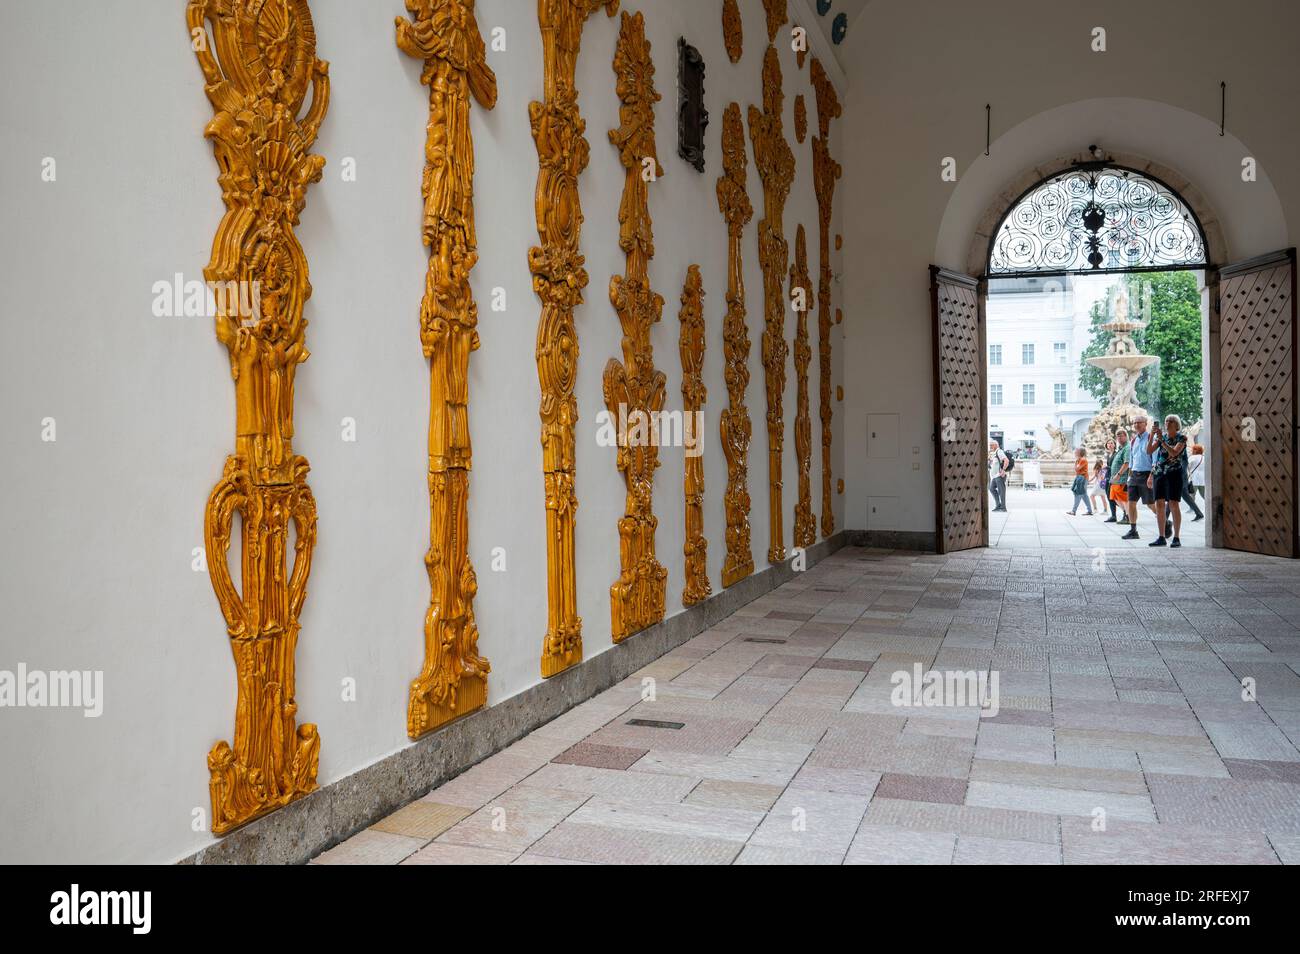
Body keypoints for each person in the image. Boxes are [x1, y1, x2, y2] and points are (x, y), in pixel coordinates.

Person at [1121, 416, 1169, 540]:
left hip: (1147, 474)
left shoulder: (1150, 438)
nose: (1136, 424)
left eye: (1139, 422)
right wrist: (1129, 476)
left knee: (1150, 504)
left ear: (1145, 424)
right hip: (1134, 475)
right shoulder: (1133, 440)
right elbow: (1132, 460)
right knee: (1131, 503)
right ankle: (1133, 530)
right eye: (1135, 422)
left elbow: (1155, 460)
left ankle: (1166, 522)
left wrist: (1151, 476)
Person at [1147, 414, 1189, 547]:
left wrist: (1162, 442)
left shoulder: (1181, 438)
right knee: (1159, 504)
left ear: (1177, 425)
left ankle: (1176, 537)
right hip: (1160, 473)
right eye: (1166, 421)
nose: (1168, 422)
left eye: (1171, 421)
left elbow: (1174, 453)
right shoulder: (1162, 437)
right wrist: (1151, 436)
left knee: (1173, 504)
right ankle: (1161, 536)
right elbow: (1149, 451)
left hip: (1174, 474)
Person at [1107, 430, 1129, 524]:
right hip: (1115, 479)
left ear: (1126, 436)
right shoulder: (1121, 448)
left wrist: (1119, 474)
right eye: (1118, 436)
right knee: (1115, 497)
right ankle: (1126, 513)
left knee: (1123, 498)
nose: (1119, 438)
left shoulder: (1127, 448)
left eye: (1121, 436)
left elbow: (1127, 463)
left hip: (1121, 479)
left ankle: (1128, 516)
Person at [1067, 447, 1093, 515]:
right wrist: (1076, 466)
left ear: (1080, 452)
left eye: (1076, 451)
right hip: (1079, 478)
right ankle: (1089, 511)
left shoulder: (1083, 460)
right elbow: (1076, 469)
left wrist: (1076, 467)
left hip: (1083, 478)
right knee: (1084, 495)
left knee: (1078, 493)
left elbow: (1077, 469)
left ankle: (1073, 511)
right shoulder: (1078, 460)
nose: (1075, 452)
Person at [1183, 443, 1205, 521]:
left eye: (1193, 449)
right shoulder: (1204, 457)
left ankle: (1192, 508)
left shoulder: (1192, 457)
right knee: (1204, 494)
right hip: (1203, 479)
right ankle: (1209, 505)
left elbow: (1186, 465)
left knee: (1192, 494)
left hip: (1194, 478)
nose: (1192, 451)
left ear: (1195, 450)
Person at [988, 440, 1009, 512]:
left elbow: (1006, 460)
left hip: (999, 475)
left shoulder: (999, 451)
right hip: (994, 476)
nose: (990, 446)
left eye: (991, 445)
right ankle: (998, 505)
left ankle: (1003, 508)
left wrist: (1003, 470)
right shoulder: (994, 453)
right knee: (991, 489)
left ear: (996, 445)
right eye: (990, 445)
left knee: (1001, 491)